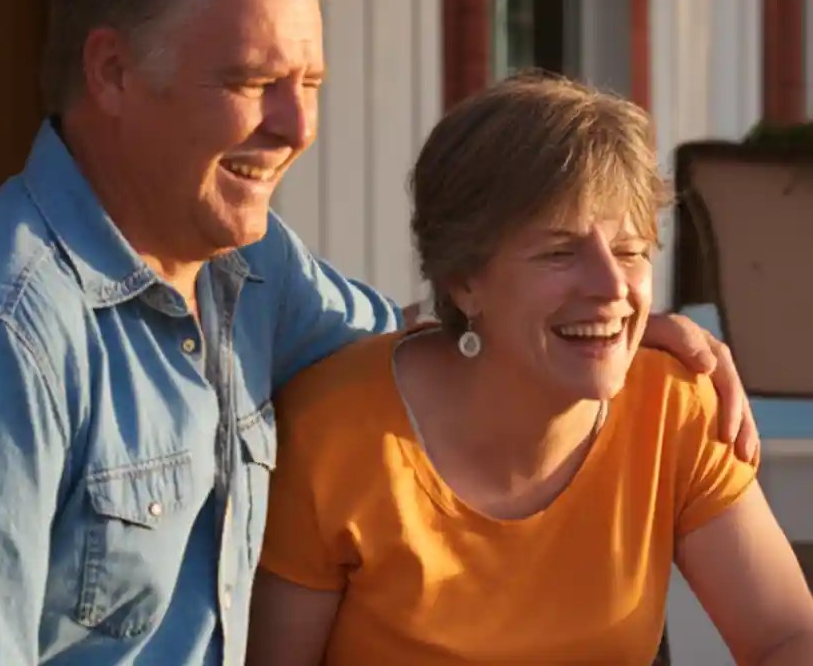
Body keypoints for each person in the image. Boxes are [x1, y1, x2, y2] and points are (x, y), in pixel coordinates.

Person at [0, 0, 757, 664]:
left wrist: (612, 322)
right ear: (113, 73)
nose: (294, 127)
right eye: (251, 83)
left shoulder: (245, 268)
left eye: (311, 83)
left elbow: (437, 334)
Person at [247, 75, 813, 665]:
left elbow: (786, 638)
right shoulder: (334, 430)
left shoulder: (673, 404)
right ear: (465, 281)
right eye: (559, 252)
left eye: (630, 251)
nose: (613, 286)